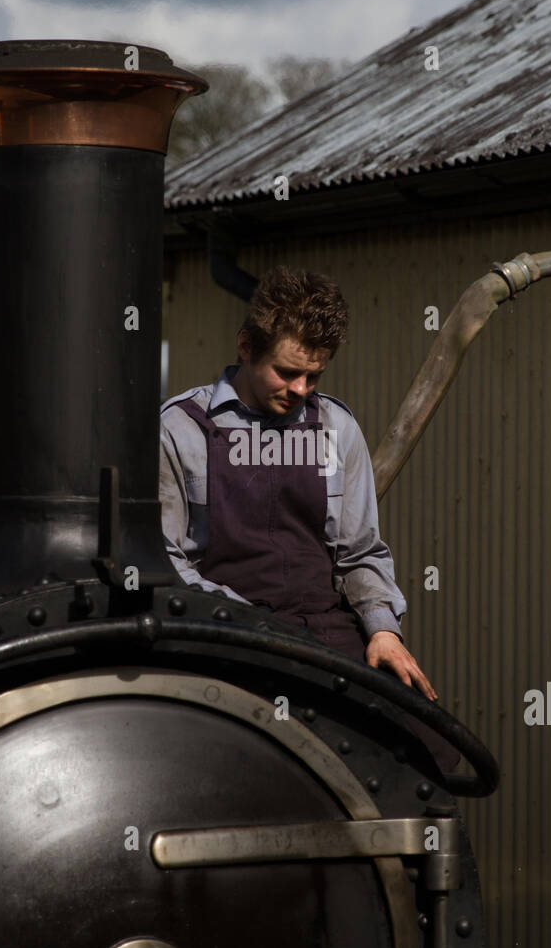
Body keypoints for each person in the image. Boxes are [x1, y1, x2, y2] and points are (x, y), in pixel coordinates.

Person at [159, 265, 458, 773]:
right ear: (247, 346)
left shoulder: (337, 427)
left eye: (314, 376)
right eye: (287, 372)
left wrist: (383, 630)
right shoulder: (181, 429)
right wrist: (250, 625)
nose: (300, 389)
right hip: (227, 631)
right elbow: (169, 564)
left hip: (326, 632)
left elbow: (360, 553)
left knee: (432, 759)